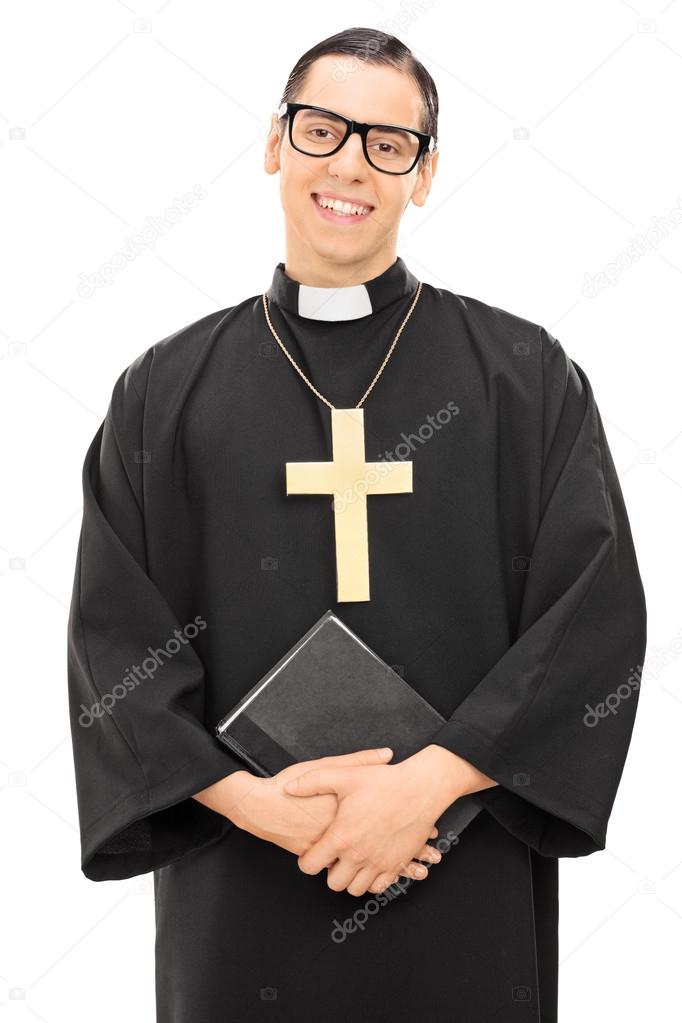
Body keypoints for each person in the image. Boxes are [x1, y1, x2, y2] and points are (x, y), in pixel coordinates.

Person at [67, 26, 647, 1023]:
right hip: (239, 879)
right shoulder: (164, 392)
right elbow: (113, 643)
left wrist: (423, 788)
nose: (349, 164)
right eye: (322, 128)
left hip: (461, 865)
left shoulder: (524, 378)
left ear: (424, 174)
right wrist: (257, 806)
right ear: (274, 143)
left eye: (388, 142)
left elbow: (592, 622)